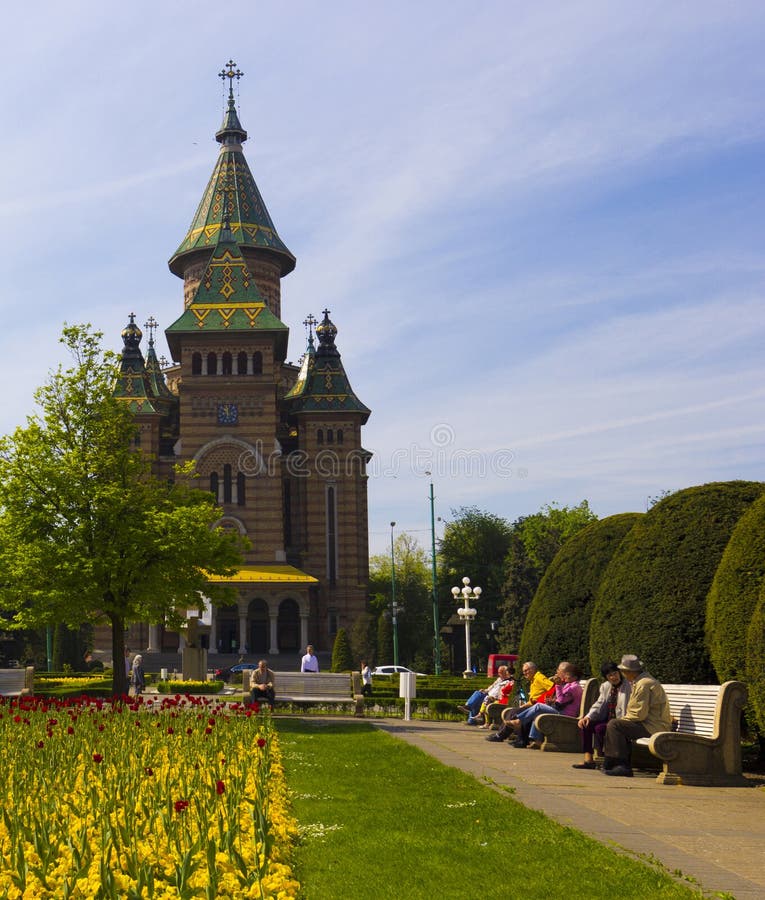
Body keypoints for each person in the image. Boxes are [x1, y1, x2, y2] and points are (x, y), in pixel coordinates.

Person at [602, 654, 672, 777]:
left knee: (615, 725)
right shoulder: (641, 681)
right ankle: (611, 762)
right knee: (615, 724)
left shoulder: (644, 684)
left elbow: (638, 714)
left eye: (623, 671)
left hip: (654, 728)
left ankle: (622, 765)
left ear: (629, 672)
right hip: (649, 724)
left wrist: (622, 720)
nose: (622, 673)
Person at [506, 661, 582, 748]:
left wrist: (558, 685)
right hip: (561, 710)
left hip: (566, 714)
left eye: (559, 671)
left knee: (538, 706)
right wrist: (552, 700)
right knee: (538, 712)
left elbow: (561, 701)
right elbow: (562, 700)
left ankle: (519, 721)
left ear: (567, 674)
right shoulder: (569, 685)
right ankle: (537, 741)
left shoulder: (574, 687)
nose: (556, 673)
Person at [572, 661, 630, 770]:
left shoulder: (628, 686)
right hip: (608, 719)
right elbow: (599, 704)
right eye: (610, 675)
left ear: (620, 672)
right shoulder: (605, 686)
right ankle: (588, 759)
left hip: (620, 721)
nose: (613, 677)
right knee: (586, 725)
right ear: (606, 678)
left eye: (615, 673)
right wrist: (588, 717)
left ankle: (605, 757)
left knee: (599, 729)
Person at [485, 661, 554, 742]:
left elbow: (552, 688)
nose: (524, 673)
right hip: (532, 705)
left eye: (526, 671)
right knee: (512, 711)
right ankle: (502, 734)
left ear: (532, 669)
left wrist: (540, 700)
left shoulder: (539, 677)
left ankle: (501, 735)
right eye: (523, 671)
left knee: (514, 712)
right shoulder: (533, 679)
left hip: (536, 706)